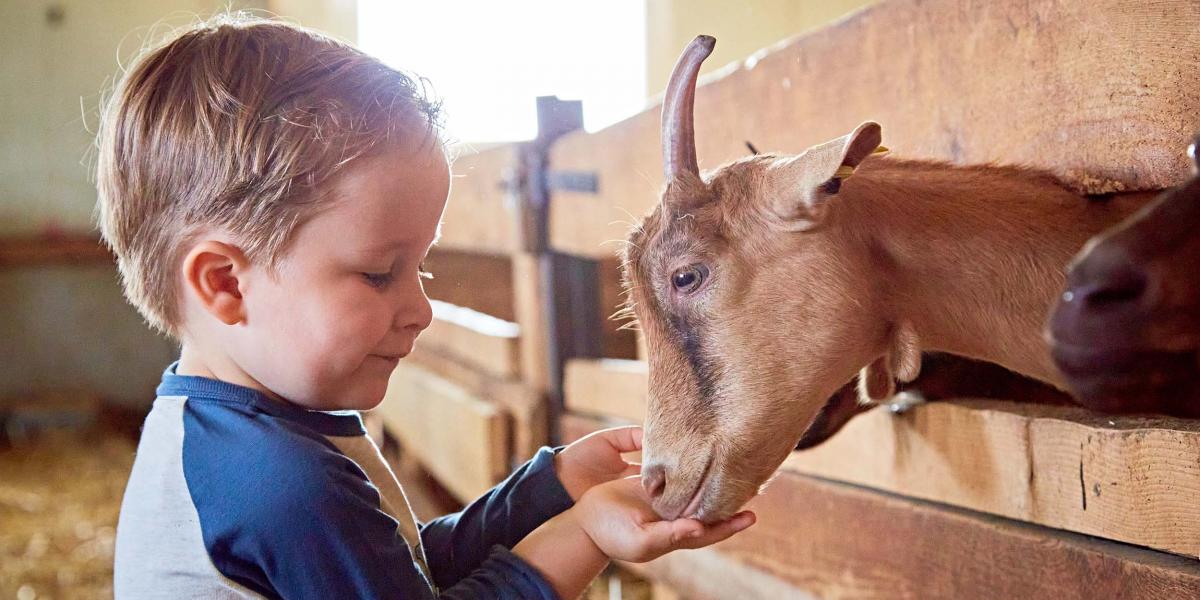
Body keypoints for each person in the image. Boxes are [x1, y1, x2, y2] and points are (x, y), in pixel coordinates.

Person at [97, 14, 755, 599]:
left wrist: (549, 491)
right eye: (381, 273)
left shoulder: (220, 428)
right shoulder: (284, 489)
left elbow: (402, 565)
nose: (421, 309)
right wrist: (584, 535)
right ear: (226, 284)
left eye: (423, 265)